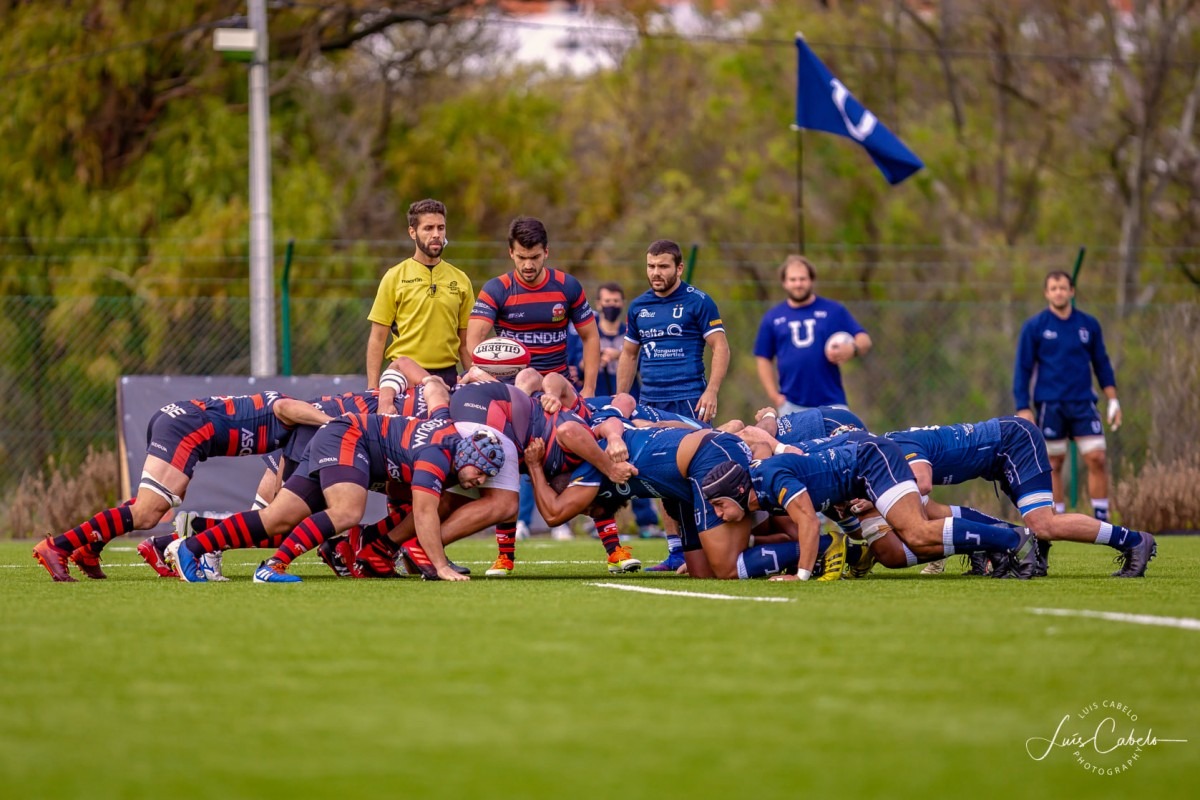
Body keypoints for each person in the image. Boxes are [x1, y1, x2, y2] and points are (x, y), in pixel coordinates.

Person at [32, 392, 332, 582]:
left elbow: (284, 494)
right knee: (148, 513)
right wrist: (334, 422)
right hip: (188, 428)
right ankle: (57, 546)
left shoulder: (294, 438)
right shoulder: (298, 414)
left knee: (156, 504)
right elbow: (285, 405)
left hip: (186, 424)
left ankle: (90, 548)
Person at [467, 216, 600, 571]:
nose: (528, 265)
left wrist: (587, 389)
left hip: (557, 397)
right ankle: (505, 556)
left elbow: (590, 337)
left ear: (547, 253)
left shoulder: (567, 287)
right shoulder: (497, 289)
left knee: (586, 464)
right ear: (511, 253)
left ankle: (615, 548)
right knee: (506, 472)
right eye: (522, 257)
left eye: (536, 257)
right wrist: (482, 372)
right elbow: (474, 340)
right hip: (516, 398)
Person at [884, 417, 1156, 578]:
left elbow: (923, 483)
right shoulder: (886, 449)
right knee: (931, 511)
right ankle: (1033, 552)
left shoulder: (896, 447)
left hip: (1013, 442)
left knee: (1044, 524)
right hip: (1002, 453)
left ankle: (1133, 541)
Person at [616, 239, 729, 571]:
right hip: (651, 402)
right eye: (651, 266)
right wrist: (620, 403)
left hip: (690, 401)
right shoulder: (638, 308)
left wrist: (711, 391)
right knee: (661, 477)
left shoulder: (699, 302)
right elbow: (629, 354)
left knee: (699, 477)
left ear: (679, 268)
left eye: (663, 266)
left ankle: (708, 543)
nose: (656, 272)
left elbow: (720, 347)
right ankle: (676, 551)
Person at [1014, 270, 1120, 527]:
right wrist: (1022, 407)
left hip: (1084, 403)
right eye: (1053, 288)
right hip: (1050, 404)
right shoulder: (1035, 327)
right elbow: (1023, 368)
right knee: (1054, 462)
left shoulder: (1089, 325)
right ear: (1047, 293)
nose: (1059, 292)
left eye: (1063, 287)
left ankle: (1101, 519)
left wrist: (1113, 399)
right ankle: (1057, 520)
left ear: (1071, 291)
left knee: (1097, 457)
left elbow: (1102, 363)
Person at [366, 198, 473, 388]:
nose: (436, 234)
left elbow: (465, 343)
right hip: (404, 376)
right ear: (412, 232)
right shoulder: (394, 276)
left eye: (441, 228)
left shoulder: (461, 279)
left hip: (447, 376)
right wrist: (372, 388)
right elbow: (377, 338)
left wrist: (473, 378)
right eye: (428, 228)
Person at [753, 254, 871, 414]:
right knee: (792, 440)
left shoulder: (833, 311)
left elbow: (864, 340)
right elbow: (763, 357)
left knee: (845, 439)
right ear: (784, 283)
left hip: (832, 402)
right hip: (792, 405)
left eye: (802, 279)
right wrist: (774, 395)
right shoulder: (773, 317)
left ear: (812, 280)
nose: (798, 284)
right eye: (793, 280)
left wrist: (853, 348)